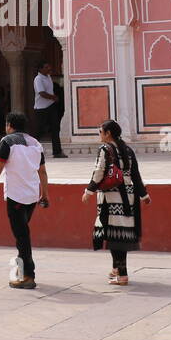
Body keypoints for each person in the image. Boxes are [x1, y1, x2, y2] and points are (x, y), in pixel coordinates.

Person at [0, 111, 49, 290]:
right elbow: (42, 171)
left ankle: (28, 275)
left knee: (22, 236)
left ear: (10, 125)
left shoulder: (7, 141)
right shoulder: (35, 143)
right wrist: (45, 193)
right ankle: (23, 272)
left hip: (16, 195)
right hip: (32, 195)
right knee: (22, 234)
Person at [82, 119, 150, 285]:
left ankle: (123, 275)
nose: (99, 135)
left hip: (111, 198)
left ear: (108, 133)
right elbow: (135, 174)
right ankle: (116, 269)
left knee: (115, 237)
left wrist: (89, 190)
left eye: (100, 132)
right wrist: (144, 194)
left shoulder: (105, 149)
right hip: (129, 198)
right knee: (120, 234)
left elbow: (99, 171)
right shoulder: (127, 149)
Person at [33, 61, 66, 158]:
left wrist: (53, 99)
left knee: (55, 128)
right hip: (41, 108)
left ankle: (57, 151)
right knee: (39, 130)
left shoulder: (48, 77)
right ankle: (31, 149)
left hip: (50, 106)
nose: (49, 68)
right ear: (40, 69)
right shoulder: (38, 79)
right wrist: (53, 97)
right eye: (46, 67)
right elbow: (41, 93)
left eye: (49, 66)